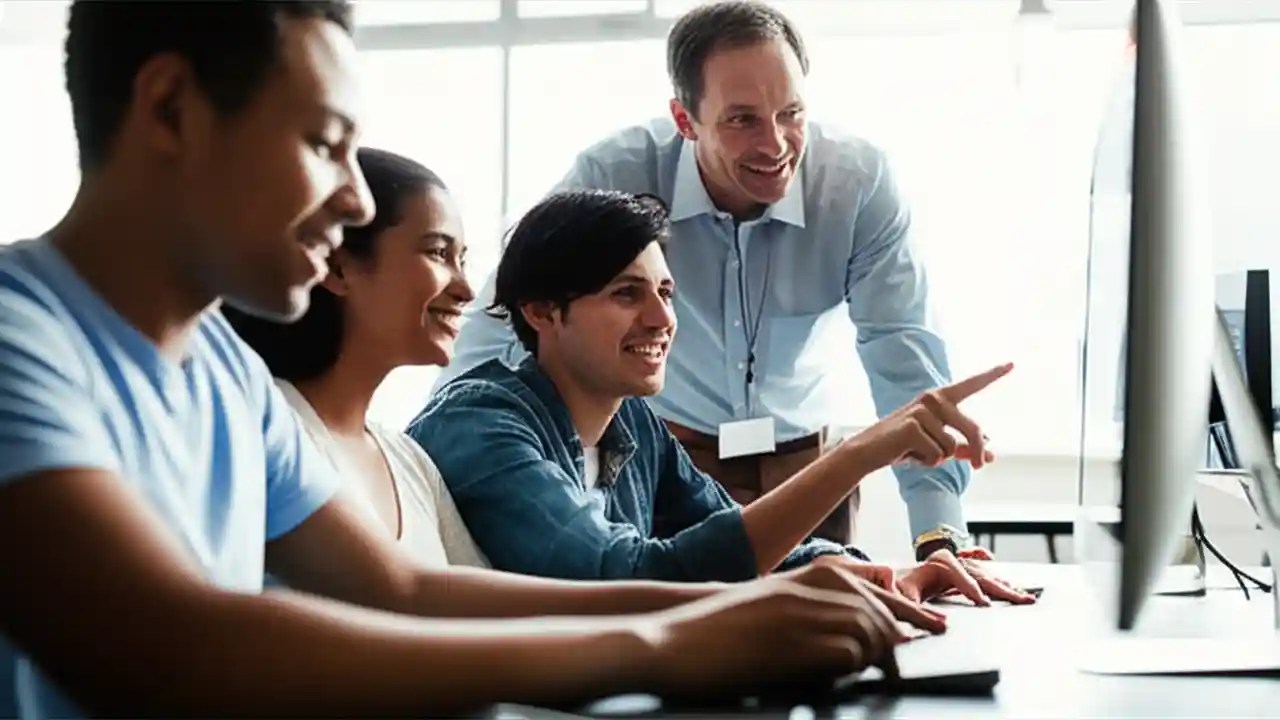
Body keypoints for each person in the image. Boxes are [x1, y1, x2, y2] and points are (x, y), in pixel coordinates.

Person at [0, 3, 917, 717]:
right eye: (325, 145)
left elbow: (402, 588)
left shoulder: (225, 376)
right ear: (170, 110)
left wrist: (721, 615)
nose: (354, 196)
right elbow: (169, 649)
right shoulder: (19, 338)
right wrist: (665, 643)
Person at [433, 0, 985, 565]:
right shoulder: (614, 177)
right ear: (684, 119)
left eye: (792, 113)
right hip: (678, 449)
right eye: (742, 119)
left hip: (808, 461)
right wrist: (458, 437)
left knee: (827, 598)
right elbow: (513, 304)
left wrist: (939, 537)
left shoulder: (858, 185)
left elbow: (902, 347)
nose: (775, 144)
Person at [412, 188, 1034, 613]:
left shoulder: (632, 423)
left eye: (665, 291)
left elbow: (734, 537)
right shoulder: (482, 423)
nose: (662, 318)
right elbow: (623, 580)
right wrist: (857, 456)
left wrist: (882, 574)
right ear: (543, 311)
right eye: (627, 295)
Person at [222, 148, 489, 569]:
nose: (466, 289)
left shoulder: (409, 460)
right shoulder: (264, 424)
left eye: (463, 260)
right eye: (438, 253)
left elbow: (472, 611)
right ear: (339, 268)